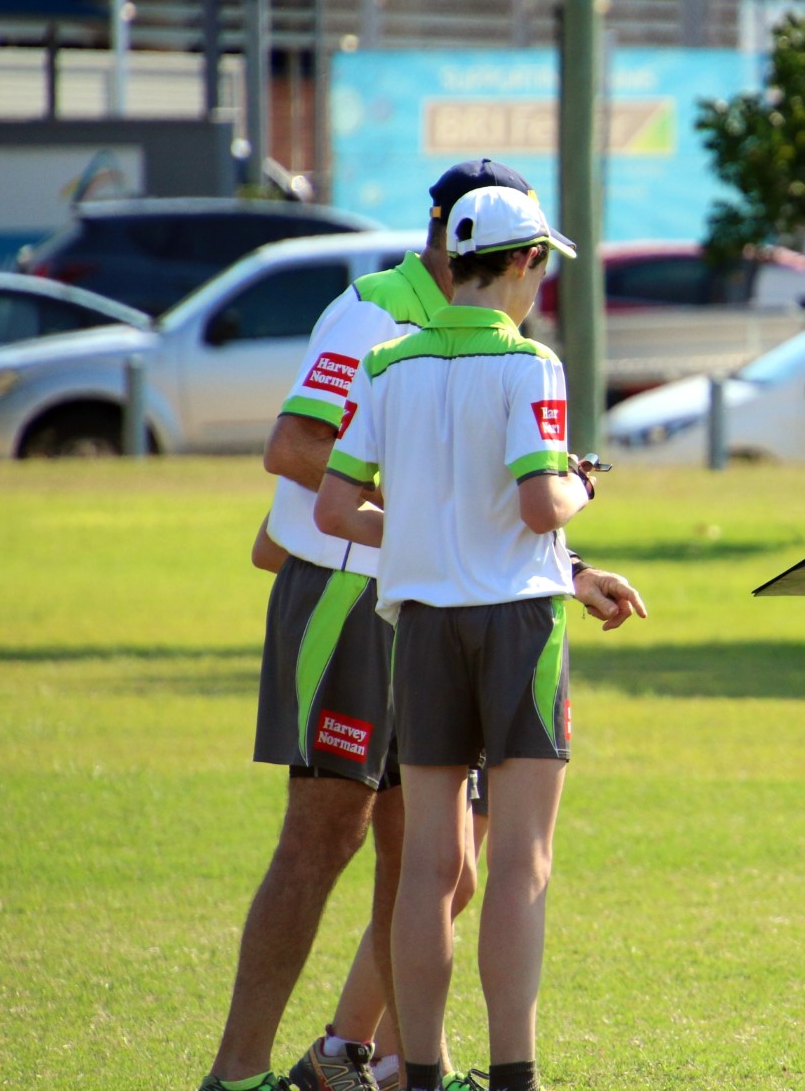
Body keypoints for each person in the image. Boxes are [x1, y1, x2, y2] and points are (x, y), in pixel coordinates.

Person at [204, 160, 641, 1091]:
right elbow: (294, 448)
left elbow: (441, 501)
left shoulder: (426, 354)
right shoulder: (383, 317)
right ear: (509, 253)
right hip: (354, 596)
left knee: (439, 865)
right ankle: (242, 1073)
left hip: (426, 596)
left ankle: (380, 1063)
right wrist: (545, 498)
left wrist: (564, 571)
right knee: (335, 838)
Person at [315, 185, 600, 1091]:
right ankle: (515, 1073)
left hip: (422, 625)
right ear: (523, 264)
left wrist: (415, 535)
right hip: (519, 621)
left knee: (427, 866)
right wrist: (586, 486)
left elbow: (333, 505)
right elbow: (539, 504)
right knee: (519, 859)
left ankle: (423, 1072)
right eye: (541, 265)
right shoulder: (531, 365)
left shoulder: (389, 364)